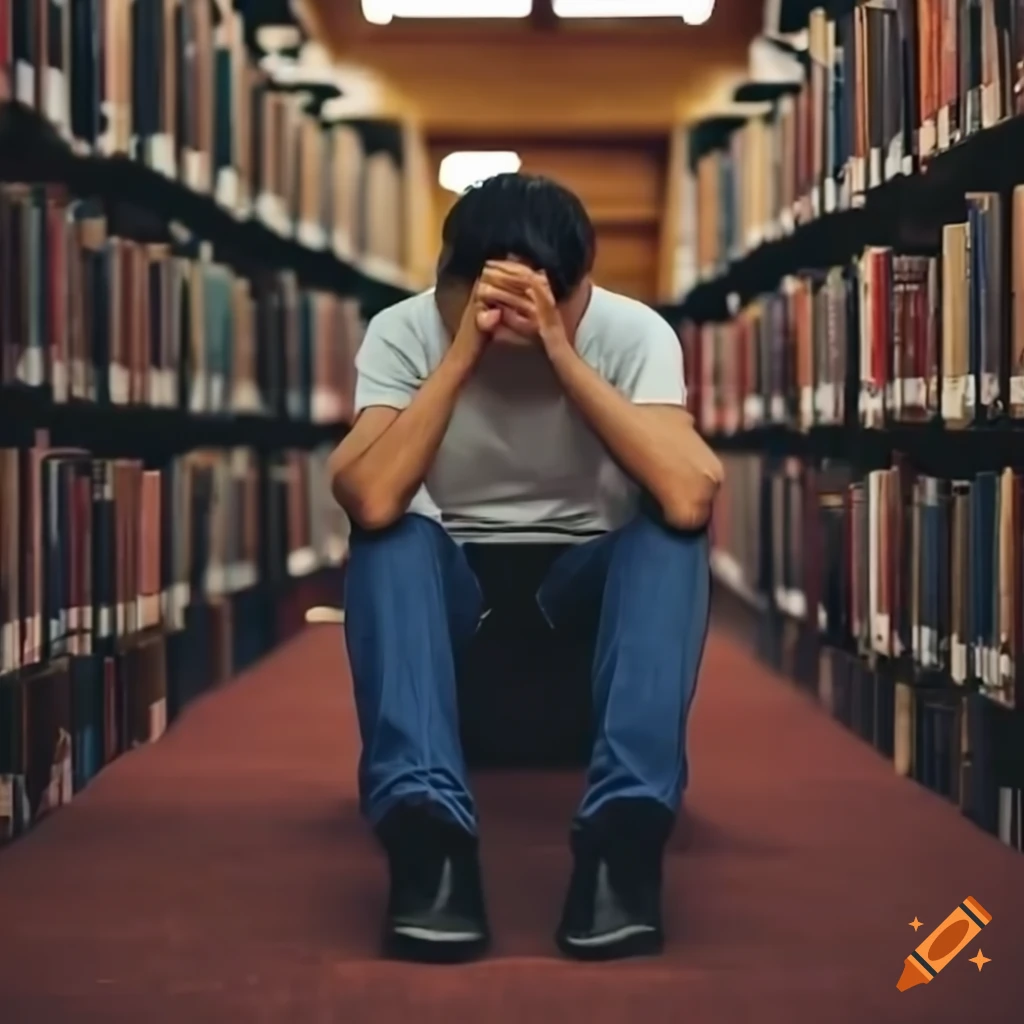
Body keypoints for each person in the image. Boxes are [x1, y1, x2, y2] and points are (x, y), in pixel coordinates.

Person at [328, 172, 721, 964]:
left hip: (575, 595)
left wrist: (562, 354)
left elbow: (687, 496)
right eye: (477, 300)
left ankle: (624, 839)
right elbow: (368, 497)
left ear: (581, 290)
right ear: (448, 283)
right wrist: (461, 354)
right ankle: (428, 842)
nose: (505, 319)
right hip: (457, 595)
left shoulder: (631, 332)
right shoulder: (404, 330)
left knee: (669, 538)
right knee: (393, 535)